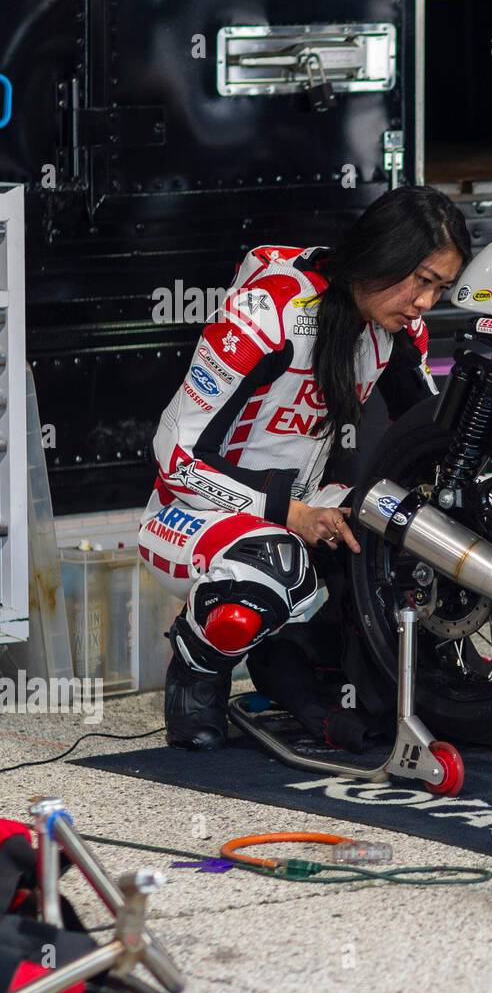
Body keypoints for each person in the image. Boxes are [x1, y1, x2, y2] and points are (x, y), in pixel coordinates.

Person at [137, 186, 469, 750]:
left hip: (307, 500)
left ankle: (421, 678)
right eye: (421, 279)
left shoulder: (395, 327)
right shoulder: (267, 313)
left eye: (439, 287)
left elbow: (430, 430)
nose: (425, 302)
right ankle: (196, 674)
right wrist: (290, 513)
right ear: (381, 254)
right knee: (275, 563)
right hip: (192, 512)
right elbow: (175, 453)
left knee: (415, 524)